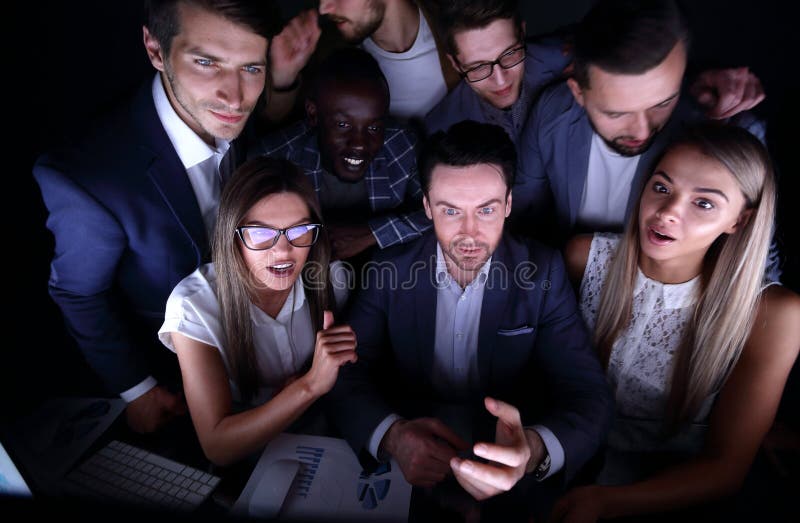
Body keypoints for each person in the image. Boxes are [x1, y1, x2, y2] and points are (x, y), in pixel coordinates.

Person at [327, 120, 613, 518]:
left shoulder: (542, 271)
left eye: (487, 210)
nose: (469, 233)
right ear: (427, 206)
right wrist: (392, 437)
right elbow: (345, 371)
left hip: (508, 463)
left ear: (509, 204)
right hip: (411, 449)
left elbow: (588, 393)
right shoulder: (387, 268)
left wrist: (532, 450)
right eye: (450, 210)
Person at [33, 0, 277, 434]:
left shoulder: (230, 115)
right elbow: (79, 294)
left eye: (252, 68)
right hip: (172, 383)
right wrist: (137, 389)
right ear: (155, 48)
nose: (236, 97)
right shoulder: (90, 179)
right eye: (207, 62)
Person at [552, 124, 800, 522]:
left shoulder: (773, 313)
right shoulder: (584, 258)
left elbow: (725, 468)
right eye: (662, 188)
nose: (667, 213)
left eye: (703, 204)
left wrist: (606, 502)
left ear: (739, 220)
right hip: (570, 455)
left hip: (674, 492)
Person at [514, 0, 771, 259]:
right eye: (616, 113)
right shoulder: (552, 110)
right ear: (578, 92)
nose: (641, 131)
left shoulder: (725, 128)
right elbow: (522, 220)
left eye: (663, 102)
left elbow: (756, 258)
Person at [158, 157, 356, 466]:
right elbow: (217, 446)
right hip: (247, 460)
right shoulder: (194, 306)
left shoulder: (331, 278)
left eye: (299, 231)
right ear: (233, 237)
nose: (282, 252)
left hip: (325, 442)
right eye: (261, 234)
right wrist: (309, 385)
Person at [254, 47, 428, 261]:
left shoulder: (402, 146)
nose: (359, 144)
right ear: (313, 115)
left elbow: (439, 212)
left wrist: (372, 233)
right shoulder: (274, 157)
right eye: (343, 125)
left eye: (373, 128)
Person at [424, 0, 571, 144]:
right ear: (455, 64)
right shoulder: (440, 130)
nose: (501, 81)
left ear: (522, 34)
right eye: (478, 67)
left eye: (509, 54)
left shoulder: (571, 59)